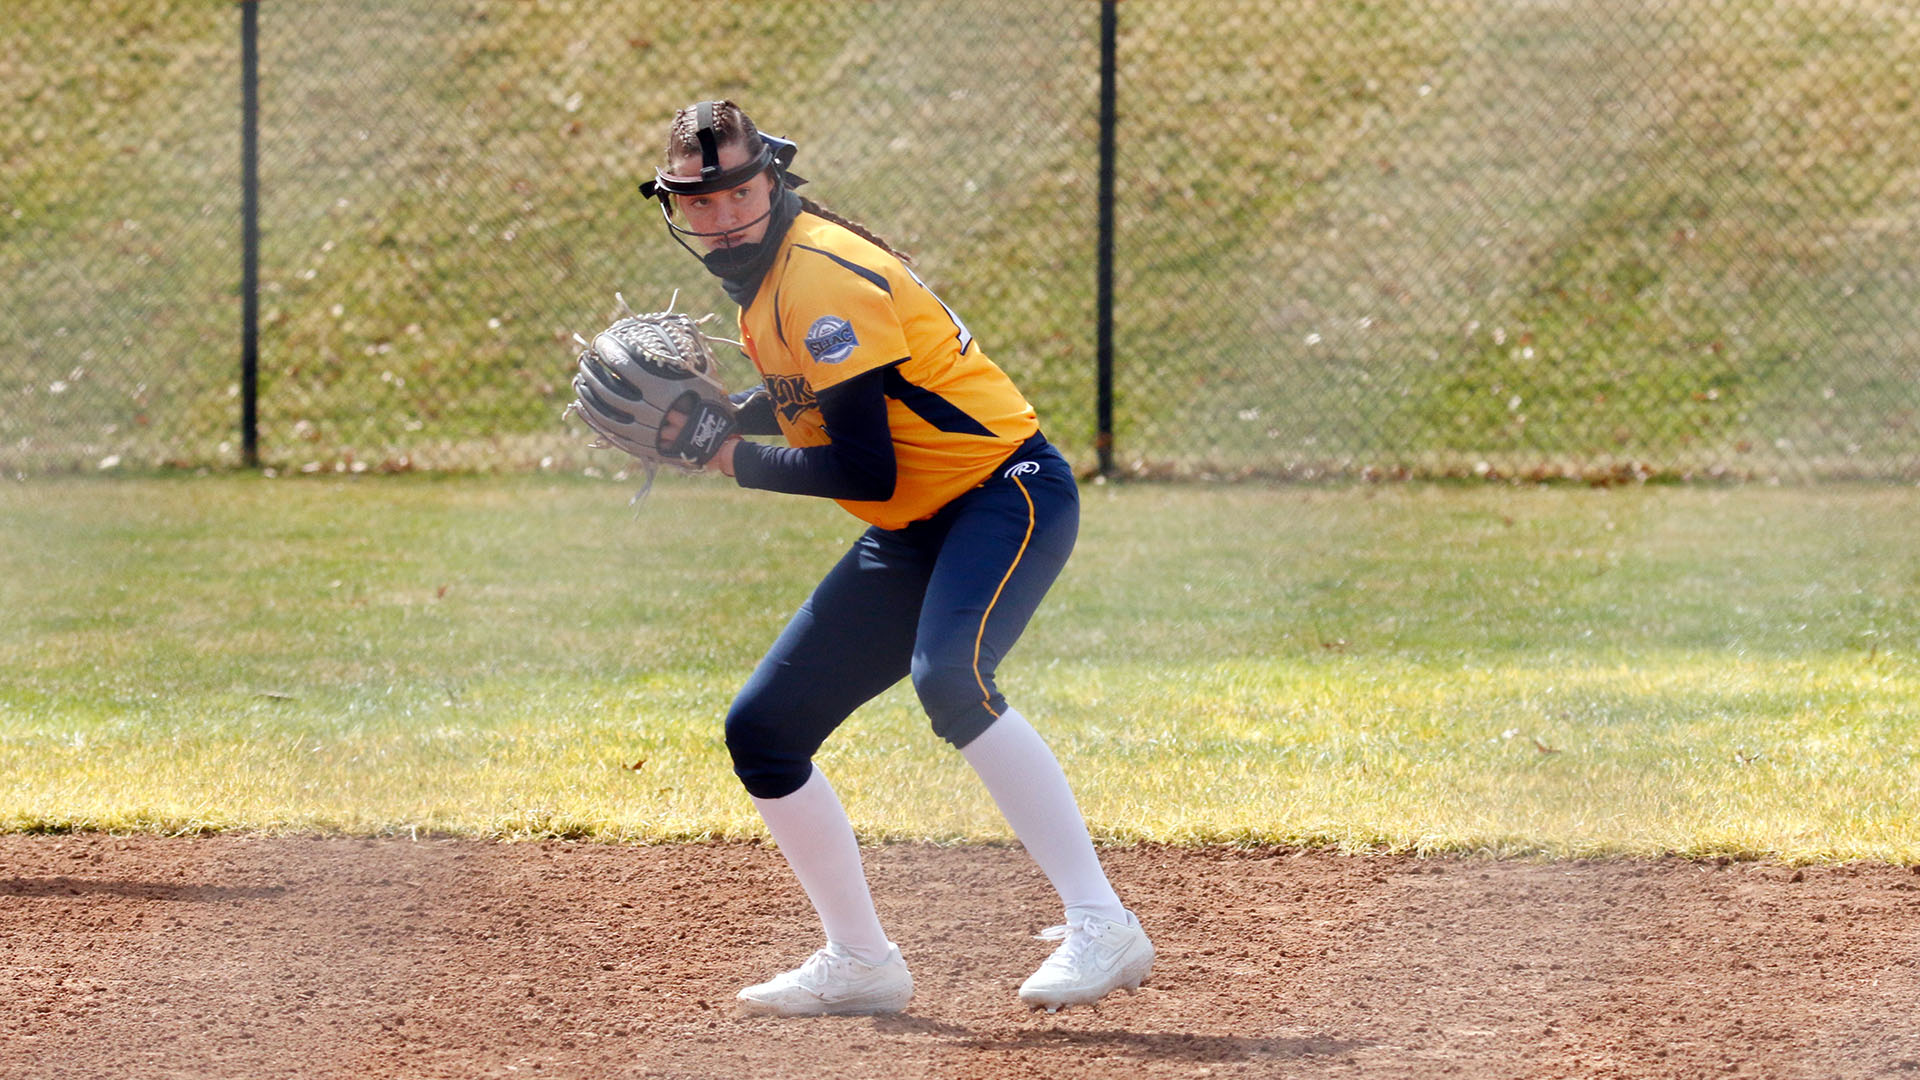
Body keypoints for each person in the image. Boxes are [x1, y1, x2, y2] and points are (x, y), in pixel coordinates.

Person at [640, 100, 1154, 1017]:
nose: (721, 219)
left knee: (950, 677)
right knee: (764, 732)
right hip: (918, 524)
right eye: (698, 202)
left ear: (775, 180)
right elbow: (823, 399)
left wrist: (728, 455)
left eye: (739, 193)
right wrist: (723, 417)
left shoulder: (819, 277)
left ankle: (1102, 922)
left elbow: (864, 466)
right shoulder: (771, 279)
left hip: (1005, 493)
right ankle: (862, 961)